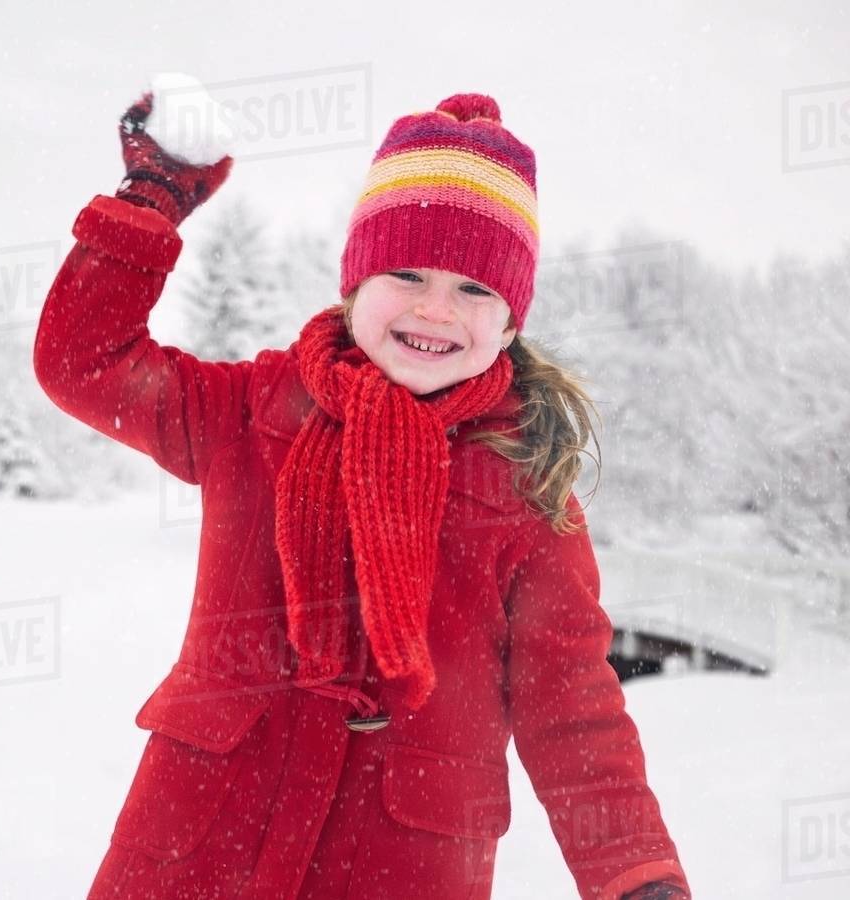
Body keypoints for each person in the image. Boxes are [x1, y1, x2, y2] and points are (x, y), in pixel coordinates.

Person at [33, 88, 692, 900]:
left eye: (474, 289)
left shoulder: (527, 486)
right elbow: (85, 363)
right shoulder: (254, 412)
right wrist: (152, 200)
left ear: (511, 322)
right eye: (406, 273)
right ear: (354, 282)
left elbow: (572, 707)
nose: (433, 310)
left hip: (404, 863)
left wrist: (636, 874)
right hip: (204, 840)